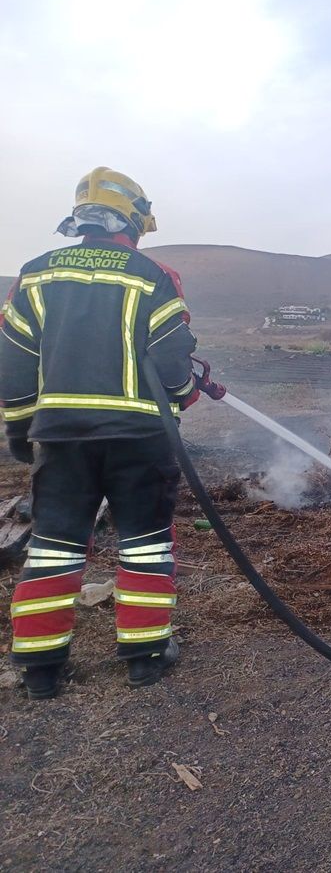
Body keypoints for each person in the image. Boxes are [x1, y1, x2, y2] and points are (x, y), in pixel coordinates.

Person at [1, 167, 211, 699]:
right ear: (133, 220)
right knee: (143, 543)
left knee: (53, 546)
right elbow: (170, 358)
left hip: (62, 440)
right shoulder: (149, 273)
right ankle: (144, 657)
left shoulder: (36, 274)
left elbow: (13, 360)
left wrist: (21, 429)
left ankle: (41, 669)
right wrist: (186, 390)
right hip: (140, 438)